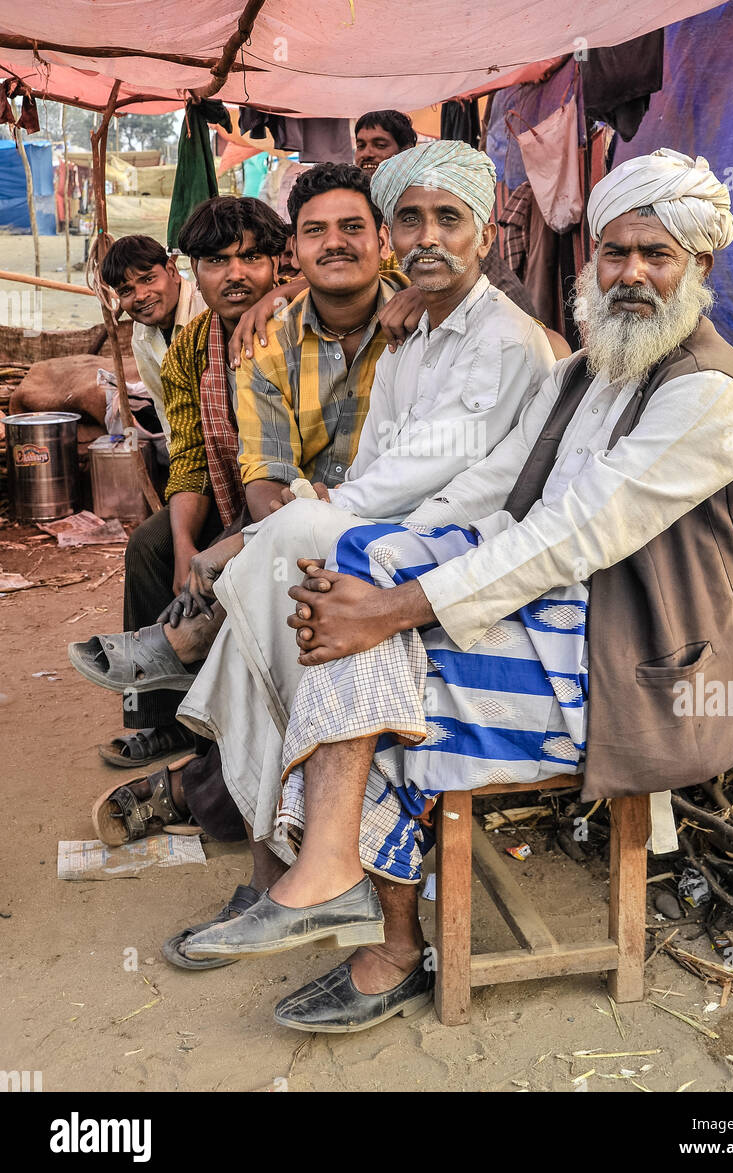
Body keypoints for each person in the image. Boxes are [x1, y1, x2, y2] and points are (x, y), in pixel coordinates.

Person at [183, 148, 733, 1037]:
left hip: (641, 671)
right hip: (563, 628)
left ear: (701, 268)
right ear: (590, 261)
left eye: (659, 255)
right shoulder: (586, 372)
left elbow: (567, 538)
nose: (633, 275)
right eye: (616, 253)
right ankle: (340, 880)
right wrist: (386, 578)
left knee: (377, 649)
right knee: (357, 603)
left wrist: (397, 606)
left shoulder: (708, 398)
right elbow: (509, 507)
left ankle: (375, 926)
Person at [110, 141, 554, 968]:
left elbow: (435, 478)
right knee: (290, 587)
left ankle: (279, 851)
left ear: (484, 236)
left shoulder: (496, 338)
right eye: (410, 217)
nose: (426, 236)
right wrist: (297, 521)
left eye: (446, 220)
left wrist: (281, 530)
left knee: (297, 566)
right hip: (393, 526)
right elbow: (306, 465)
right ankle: (286, 865)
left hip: (454, 549)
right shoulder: (407, 333)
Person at [71, 196, 285, 779]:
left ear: (279, 262)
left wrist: (288, 295)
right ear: (195, 266)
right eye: (216, 261)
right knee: (153, 546)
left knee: (235, 562)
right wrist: (186, 541)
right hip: (225, 486)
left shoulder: (294, 319)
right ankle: (157, 718)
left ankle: (218, 731)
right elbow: (188, 450)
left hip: (288, 502)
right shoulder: (188, 346)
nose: (235, 274)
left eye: (252, 259)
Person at [101, 234, 206, 443]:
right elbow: (166, 409)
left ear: (172, 271)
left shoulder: (207, 309)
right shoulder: (141, 335)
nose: (140, 295)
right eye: (126, 291)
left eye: (148, 279)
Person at [353, 110, 417, 176]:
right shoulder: (346, 185)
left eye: (380, 145)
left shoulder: (423, 184)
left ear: (406, 151)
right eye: (360, 146)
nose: (366, 154)